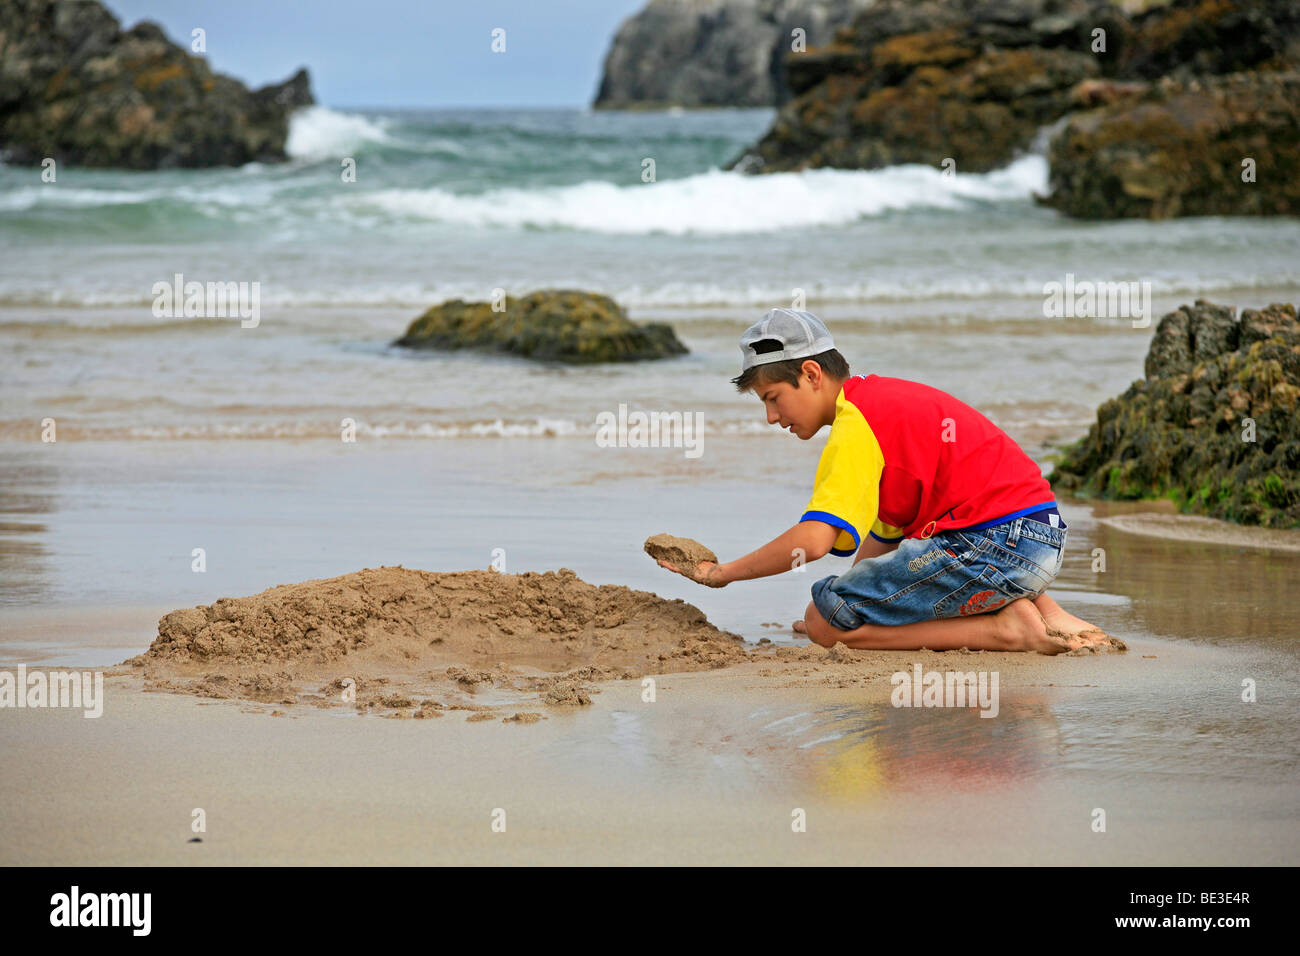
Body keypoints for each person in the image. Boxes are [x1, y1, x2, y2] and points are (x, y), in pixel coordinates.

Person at [656, 308, 1116, 654]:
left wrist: (724, 575)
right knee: (839, 602)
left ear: (811, 374)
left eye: (774, 398)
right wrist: (854, 601)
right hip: (1039, 539)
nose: (771, 417)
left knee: (821, 621)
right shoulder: (882, 398)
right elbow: (889, 530)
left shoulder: (855, 424)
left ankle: (1008, 631)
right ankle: (1045, 607)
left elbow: (815, 542)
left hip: (994, 546)